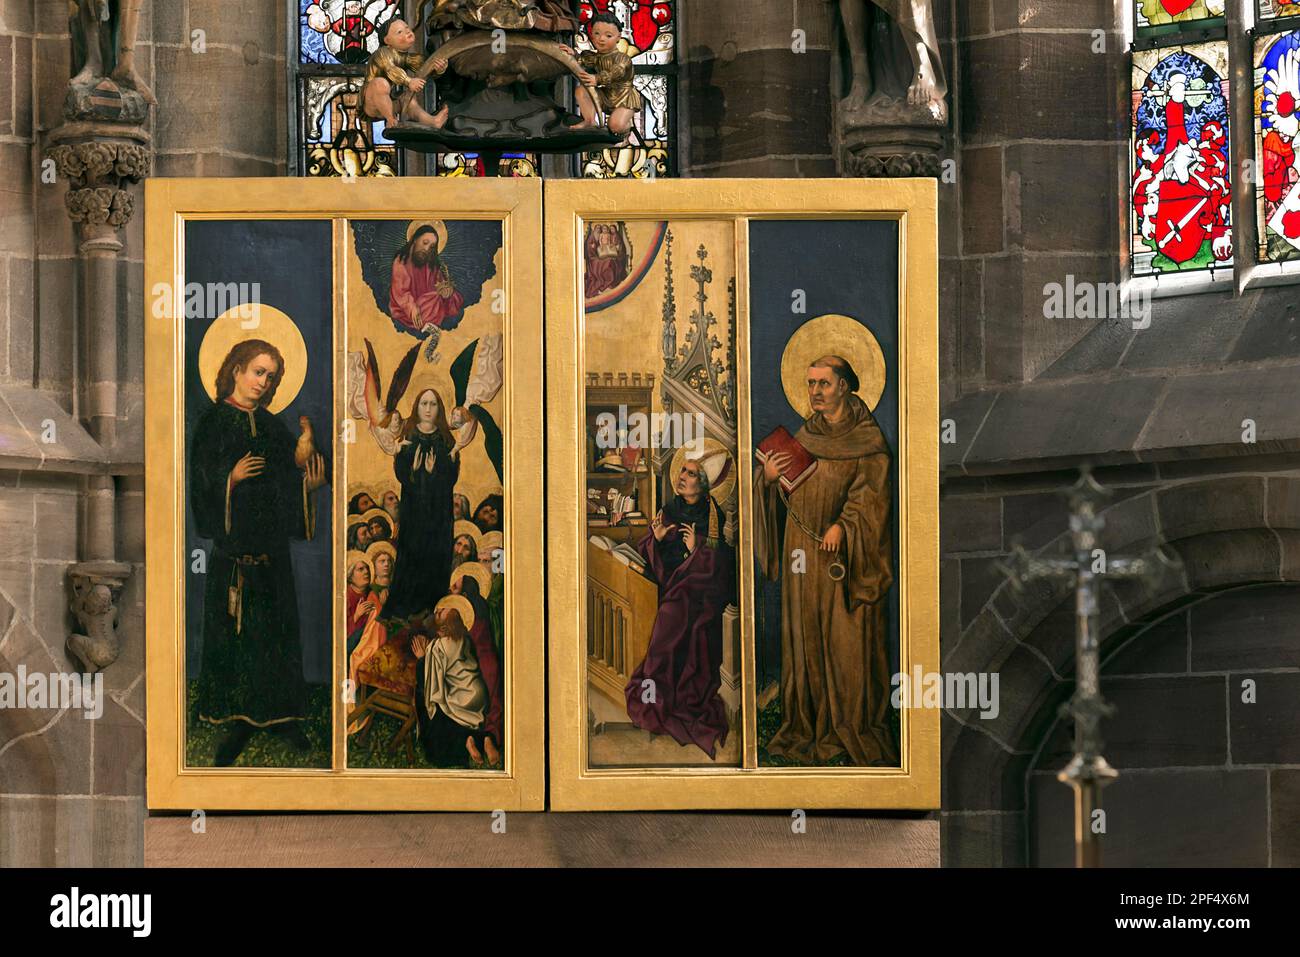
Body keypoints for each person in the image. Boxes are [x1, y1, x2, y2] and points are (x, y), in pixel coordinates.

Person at [189, 338, 329, 766]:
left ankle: (281, 718)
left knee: (275, 638)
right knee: (238, 641)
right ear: (236, 370)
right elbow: (200, 486)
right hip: (236, 562)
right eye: (257, 372)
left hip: (273, 561)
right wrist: (228, 479)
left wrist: (308, 479)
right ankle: (237, 722)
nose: (263, 383)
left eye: (271, 376)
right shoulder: (213, 423)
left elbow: (288, 487)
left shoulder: (271, 427)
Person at [753, 355, 897, 766]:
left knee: (844, 641)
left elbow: (874, 498)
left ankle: (846, 725)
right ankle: (807, 723)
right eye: (811, 382)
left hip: (845, 561)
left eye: (824, 384)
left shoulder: (868, 441)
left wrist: (846, 526)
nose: (815, 391)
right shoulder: (805, 435)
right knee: (805, 636)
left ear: (846, 388)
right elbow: (790, 496)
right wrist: (768, 483)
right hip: (802, 554)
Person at [623, 457, 733, 758]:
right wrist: (656, 541)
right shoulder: (670, 509)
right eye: (683, 471)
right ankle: (655, 694)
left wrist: (694, 550)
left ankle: (669, 697)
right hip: (672, 585)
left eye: (692, 473)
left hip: (701, 594)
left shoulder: (714, 517)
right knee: (668, 615)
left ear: (705, 484)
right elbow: (656, 555)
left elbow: (722, 568)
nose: (683, 476)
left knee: (673, 616)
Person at [381, 388, 459, 622]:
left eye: (433, 404)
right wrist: (414, 471)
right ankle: (406, 609)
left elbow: (452, 477)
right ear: (416, 407)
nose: (427, 409)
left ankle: (432, 608)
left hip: (438, 515)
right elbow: (401, 474)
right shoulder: (408, 436)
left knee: (435, 555)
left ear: (439, 409)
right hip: (414, 513)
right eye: (423, 403)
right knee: (412, 554)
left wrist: (433, 473)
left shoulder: (446, 440)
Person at [410, 598, 502, 766]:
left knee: (434, 708)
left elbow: (430, 681)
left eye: (442, 610)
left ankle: (464, 742)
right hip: (477, 694)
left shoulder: (438, 647)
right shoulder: (464, 639)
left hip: (460, 698)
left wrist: (422, 659)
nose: (437, 611)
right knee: (459, 716)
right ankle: (485, 739)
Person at [360, 17, 449, 128]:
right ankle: (391, 120)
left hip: (390, 102)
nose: (407, 32)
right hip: (370, 103)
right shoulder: (382, 53)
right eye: (399, 32)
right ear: (387, 41)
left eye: (407, 28)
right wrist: (409, 81)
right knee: (380, 83)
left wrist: (439, 69)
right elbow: (391, 70)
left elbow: (426, 68)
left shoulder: (407, 58)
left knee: (409, 99)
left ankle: (433, 122)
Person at [565, 12, 640, 140]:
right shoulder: (595, 57)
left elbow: (617, 72)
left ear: (618, 37)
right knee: (581, 91)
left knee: (615, 126)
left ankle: (626, 125)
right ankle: (589, 121)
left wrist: (597, 79)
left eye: (608, 35)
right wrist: (573, 55)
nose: (601, 39)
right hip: (605, 95)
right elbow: (582, 60)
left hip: (624, 97)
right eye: (596, 34)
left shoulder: (623, 59)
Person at [388, 225, 465, 333]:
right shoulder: (401, 261)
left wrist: (446, 293)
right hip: (407, 310)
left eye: (432, 246)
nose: (427, 249)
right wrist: (412, 308)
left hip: (428, 307)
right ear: (415, 240)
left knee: (452, 298)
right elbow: (401, 292)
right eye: (425, 243)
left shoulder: (431, 264)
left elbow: (440, 286)